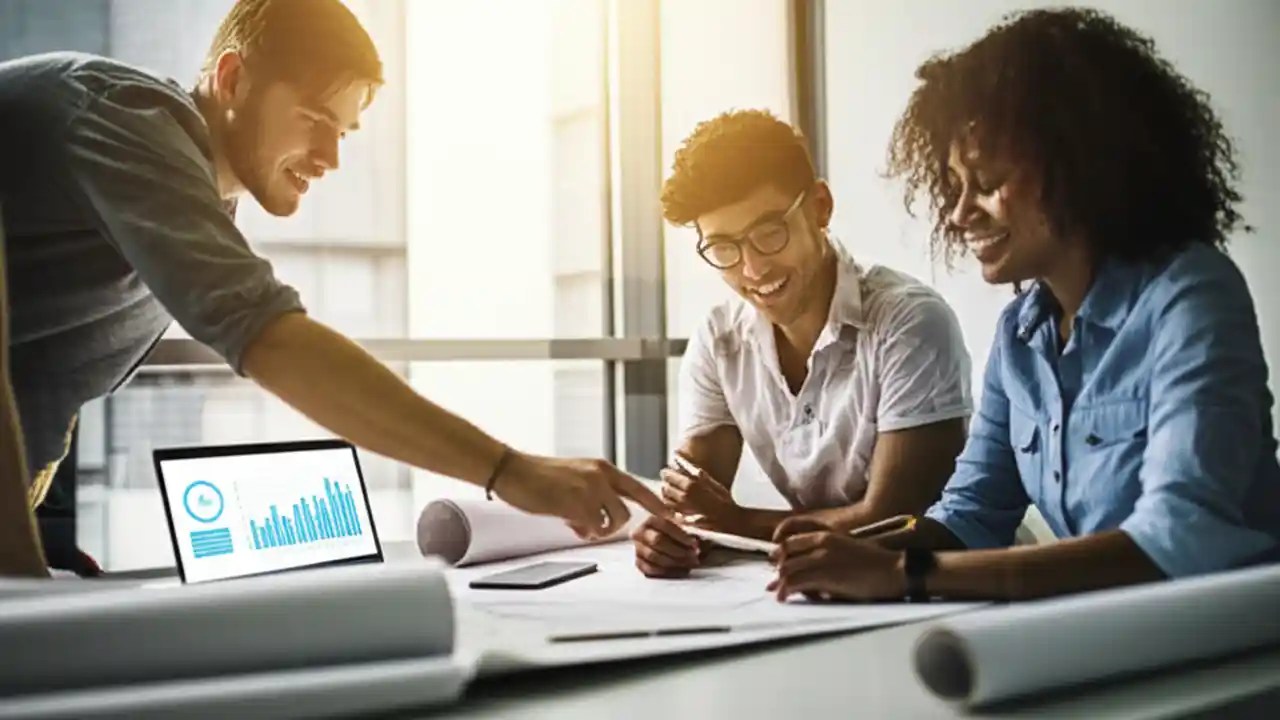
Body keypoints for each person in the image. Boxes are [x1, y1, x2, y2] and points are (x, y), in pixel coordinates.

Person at [0, 0, 664, 575]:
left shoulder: (191, 187)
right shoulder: (130, 120)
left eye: (343, 133)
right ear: (231, 78)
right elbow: (268, 337)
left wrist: (44, 540)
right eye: (315, 119)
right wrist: (513, 471)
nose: (331, 159)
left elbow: (42, 358)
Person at [770, 8, 1280, 602]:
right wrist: (852, 555)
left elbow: (1179, 538)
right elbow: (972, 514)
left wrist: (899, 576)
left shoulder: (1190, 294)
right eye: (954, 187)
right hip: (1106, 639)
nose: (960, 214)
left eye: (985, 182)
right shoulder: (1020, 332)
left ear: (1080, 165)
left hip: (1237, 646)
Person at [632, 109, 972, 578]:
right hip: (817, 587)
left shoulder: (909, 323)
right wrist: (665, 536)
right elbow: (694, 506)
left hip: (941, 585)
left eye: (770, 233)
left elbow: (895, 520)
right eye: (724, 248)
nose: (753, 269)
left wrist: (737, 523)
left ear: (819, 206)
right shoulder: (720, 339)